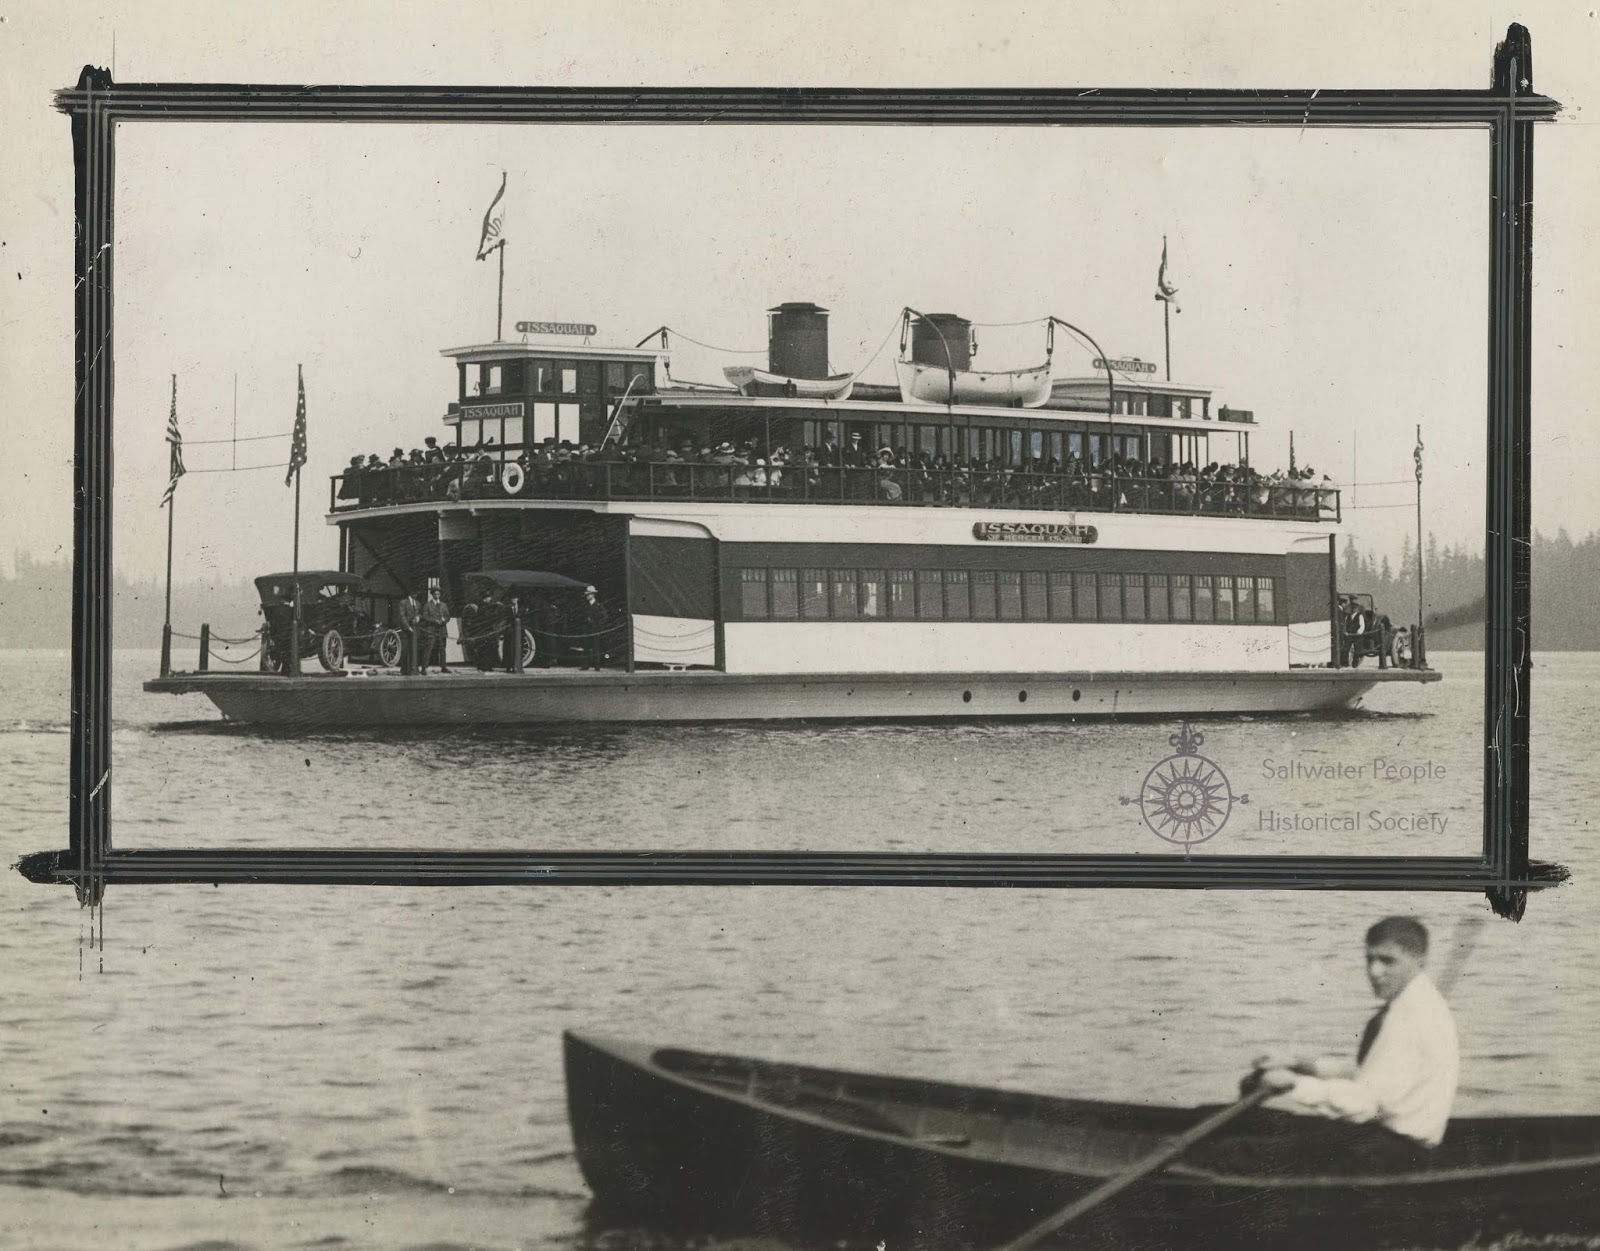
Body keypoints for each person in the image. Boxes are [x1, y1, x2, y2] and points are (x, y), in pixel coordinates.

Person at [1247, 916, 1459, 1162]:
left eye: (1387, 961)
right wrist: (1298, 1065)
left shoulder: (1415, 1016)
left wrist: (1294, 1084)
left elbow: (1365, 1103)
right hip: (1381, 1138)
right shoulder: (1410, 1004)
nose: (1374, 971)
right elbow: (1369, 1071)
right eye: (1370, 959)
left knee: (1234, 1153)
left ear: (1419, 961)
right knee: (1254, 1125)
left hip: (1396, 1152)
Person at [419, 582, 451, 674]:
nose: (437, 595)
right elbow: (425, 617)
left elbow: (448, 616)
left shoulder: (444, 605)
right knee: (428, 649)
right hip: (431, 631)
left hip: (442, 630)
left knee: (442, 650)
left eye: (438, 593)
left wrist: (444, 619)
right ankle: (424, 668)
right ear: (432, 594)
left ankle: (444, 667)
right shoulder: (427, 605)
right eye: (435, 593)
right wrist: (434, 620)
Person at [396, 589, 421, 675]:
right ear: (411, 592)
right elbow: (402, 616)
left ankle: (414, 669)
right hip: (406, 630)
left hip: (415, 629)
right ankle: (404, 670)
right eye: (415, 592)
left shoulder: (417, 603)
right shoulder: (403, 602)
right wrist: (407, 627)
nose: (416, 594)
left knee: (414, 649)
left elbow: (419, 613)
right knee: (405, 649)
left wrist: (418, 617)